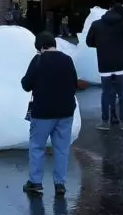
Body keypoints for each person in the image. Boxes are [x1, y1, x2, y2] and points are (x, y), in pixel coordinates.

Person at [20, 32, 79, 197]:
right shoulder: (67, 60)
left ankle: (36, 182)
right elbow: (74, 82)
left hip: (43, 112)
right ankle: (60, 184)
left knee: (37, 147)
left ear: (40, 47)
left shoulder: (38, 60)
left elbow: (26, 85)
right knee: (61, 149)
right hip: (66, 111)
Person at [86, 4, 123, 131]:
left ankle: (105, 122)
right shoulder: (121, 23)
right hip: (120, 64)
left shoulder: (96, 24)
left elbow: (89, 42)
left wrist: (100, 44)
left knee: (106, 93)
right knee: (122, 93)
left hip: (104, 64)